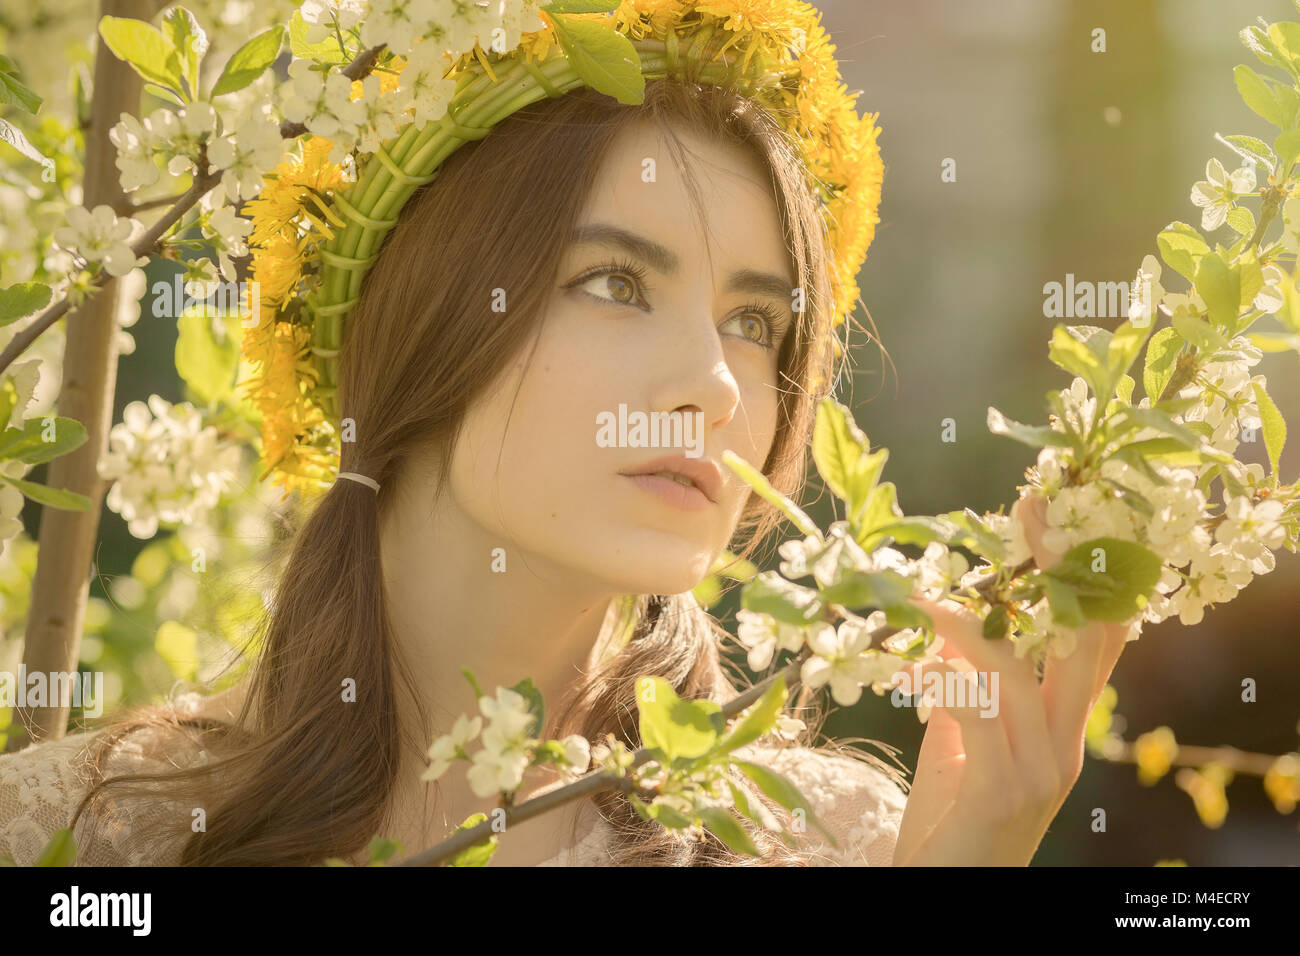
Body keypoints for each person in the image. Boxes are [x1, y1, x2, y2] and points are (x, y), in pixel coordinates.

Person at [0, 20, 1132, 868]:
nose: (712, 383)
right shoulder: (77, 833)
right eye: (614, 282)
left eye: (755, 321)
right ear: (419, 314)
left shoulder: (839, 844)